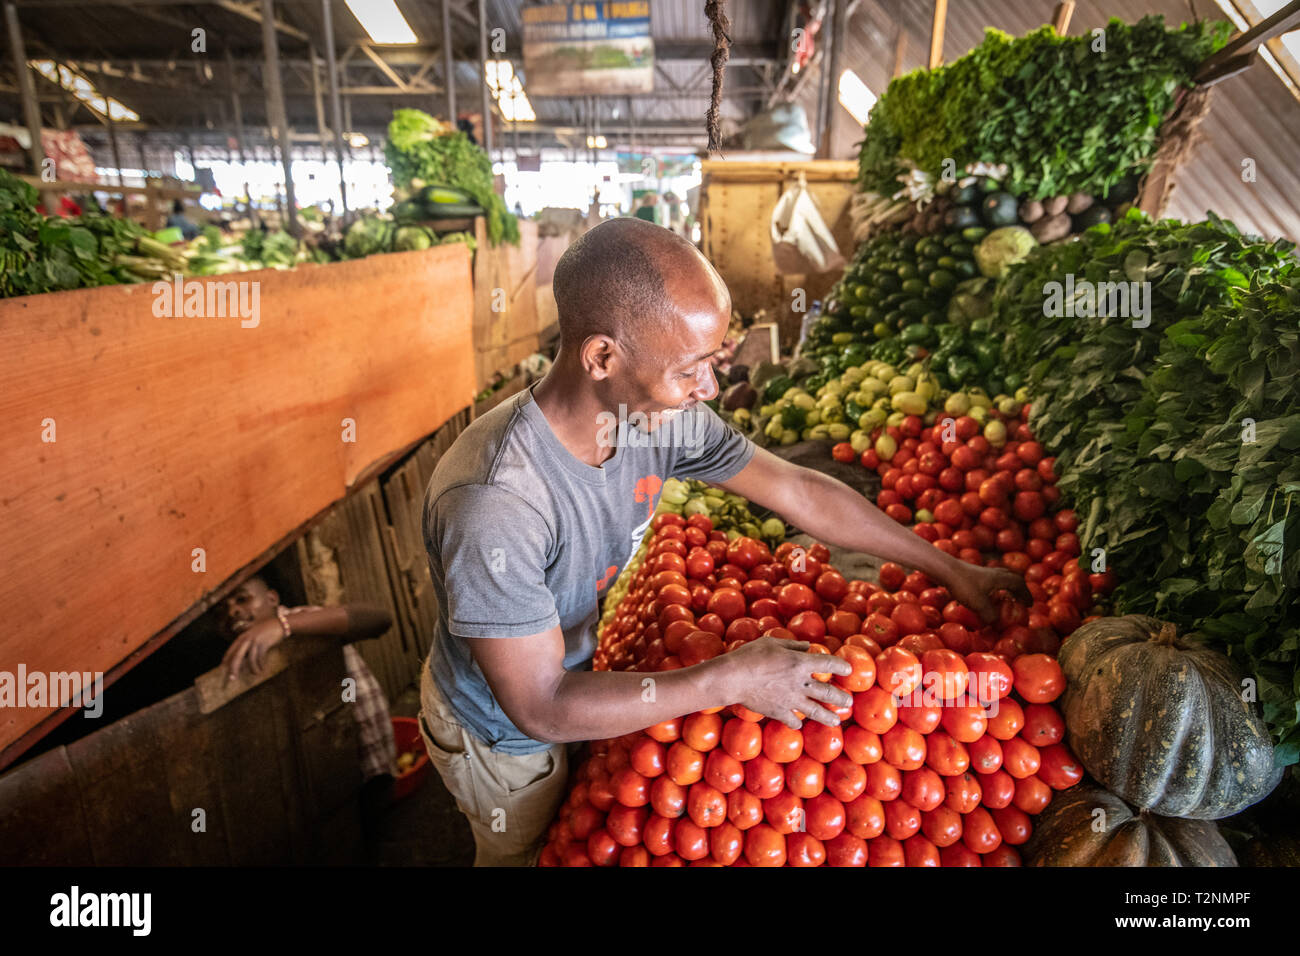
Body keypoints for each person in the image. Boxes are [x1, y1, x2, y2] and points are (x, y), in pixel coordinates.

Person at [418, 216, 1030, 866]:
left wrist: (948, 567)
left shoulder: (660, 417)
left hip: (570, 667)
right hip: (498, 726)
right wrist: (733, 677)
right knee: (525, 849)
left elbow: (798, 490)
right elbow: (540, 706)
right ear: (601, 357)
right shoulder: (495, 502)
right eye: (691, 369)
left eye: (714, 362)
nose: (709, 389)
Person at [222, 574, 399, 836]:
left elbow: (380, 619)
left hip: (368, 761)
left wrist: (282, 626)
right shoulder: (239, 655)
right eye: (221, 611)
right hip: (320, 777)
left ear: (272, 599)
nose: (233, 611)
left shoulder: (302, 619)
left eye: (242, 599)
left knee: (373, 830)